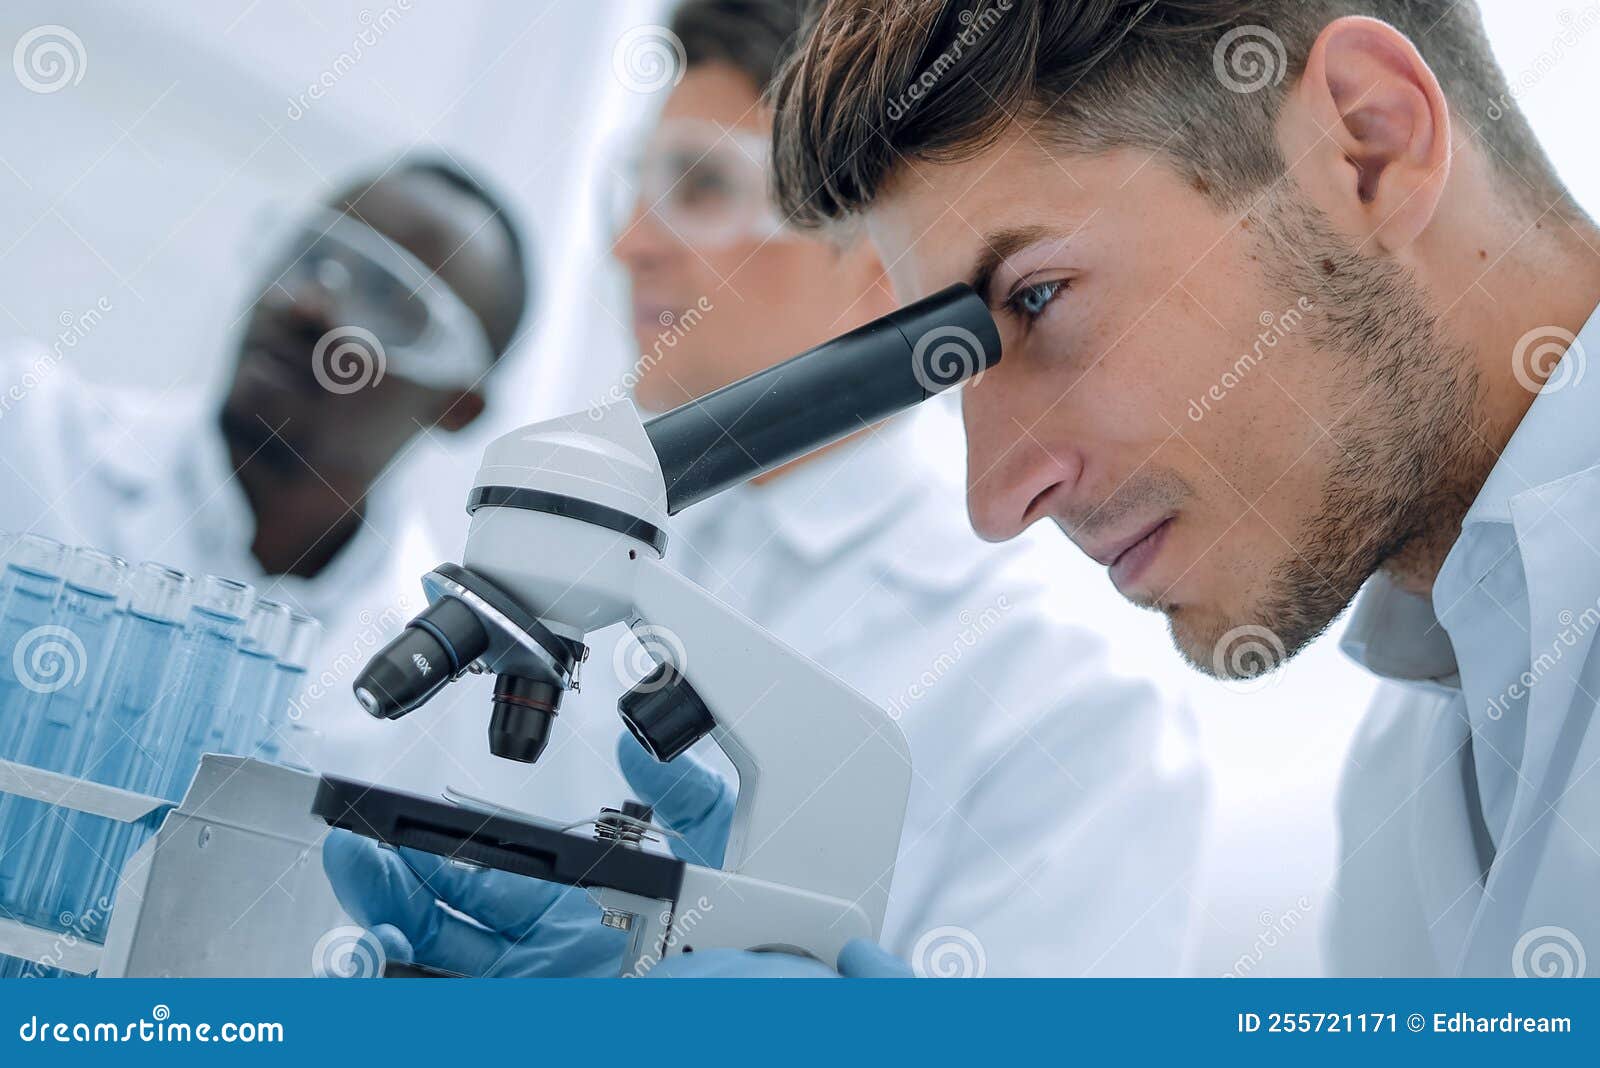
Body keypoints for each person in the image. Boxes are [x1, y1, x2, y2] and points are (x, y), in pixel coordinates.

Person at [322, 0, 1209, 978]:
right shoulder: (582, 559)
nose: (629, 248)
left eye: (700, 187)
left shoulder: (1068, 701)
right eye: (637, 188)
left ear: (884, 268)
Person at [0, 155, 532, 788]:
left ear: (457, 406)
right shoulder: (27, 435)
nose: (310, 305)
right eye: (311, 258)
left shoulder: (443, 689)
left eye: (390, 300)